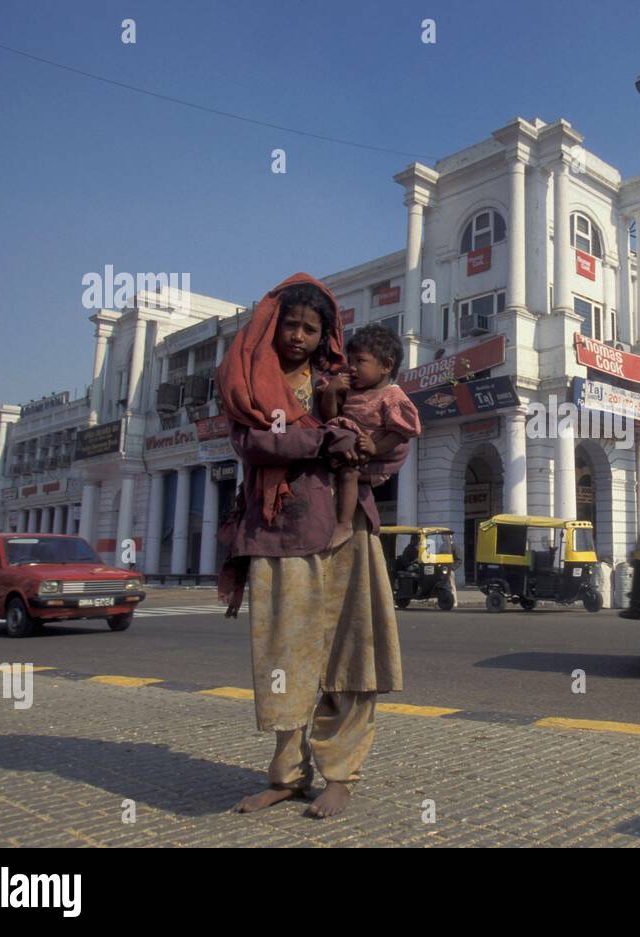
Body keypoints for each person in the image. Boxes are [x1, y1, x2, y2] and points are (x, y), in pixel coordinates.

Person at [216, 272, 410, 820]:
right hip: (281, 535)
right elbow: (253, 443)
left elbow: (390, 448)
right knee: (285, 659)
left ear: (325, 334)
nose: (298, 336)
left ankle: (341, 775)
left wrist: (365, 447)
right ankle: (286, 776)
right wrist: (325, 439)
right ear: (272, 329)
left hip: (349, 533)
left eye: (309, 328)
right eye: (290, 326)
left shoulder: (344, 380)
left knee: (351, 656)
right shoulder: (249, 386)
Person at [319, 325, 421, 550]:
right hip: (349, 448)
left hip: (375, 461)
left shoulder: (392, 396)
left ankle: (344, 525)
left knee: (349, 474)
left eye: (360, 361)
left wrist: (375, 447)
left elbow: (399, 433)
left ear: (386, 365)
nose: (352, 368)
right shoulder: (350, 390)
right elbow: (331, 417)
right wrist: (331, 392)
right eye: (350, 361)